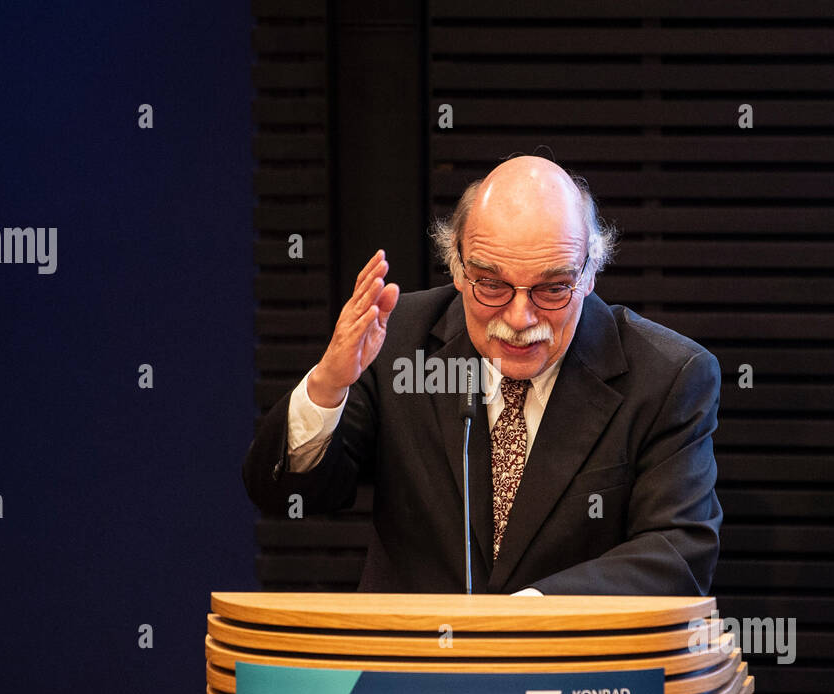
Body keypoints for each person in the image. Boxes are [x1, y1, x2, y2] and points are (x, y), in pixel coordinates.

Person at [242, 156, 722, 595]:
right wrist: (328, 386)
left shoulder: (666, 376)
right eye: (492, 285)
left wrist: (528, 616)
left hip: (571, 672)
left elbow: (676, 551)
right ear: (456, 266)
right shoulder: (398, 341)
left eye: (552, 289)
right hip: (411, 673)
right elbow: (285, 497)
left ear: (590, 272)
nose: (518, 318)